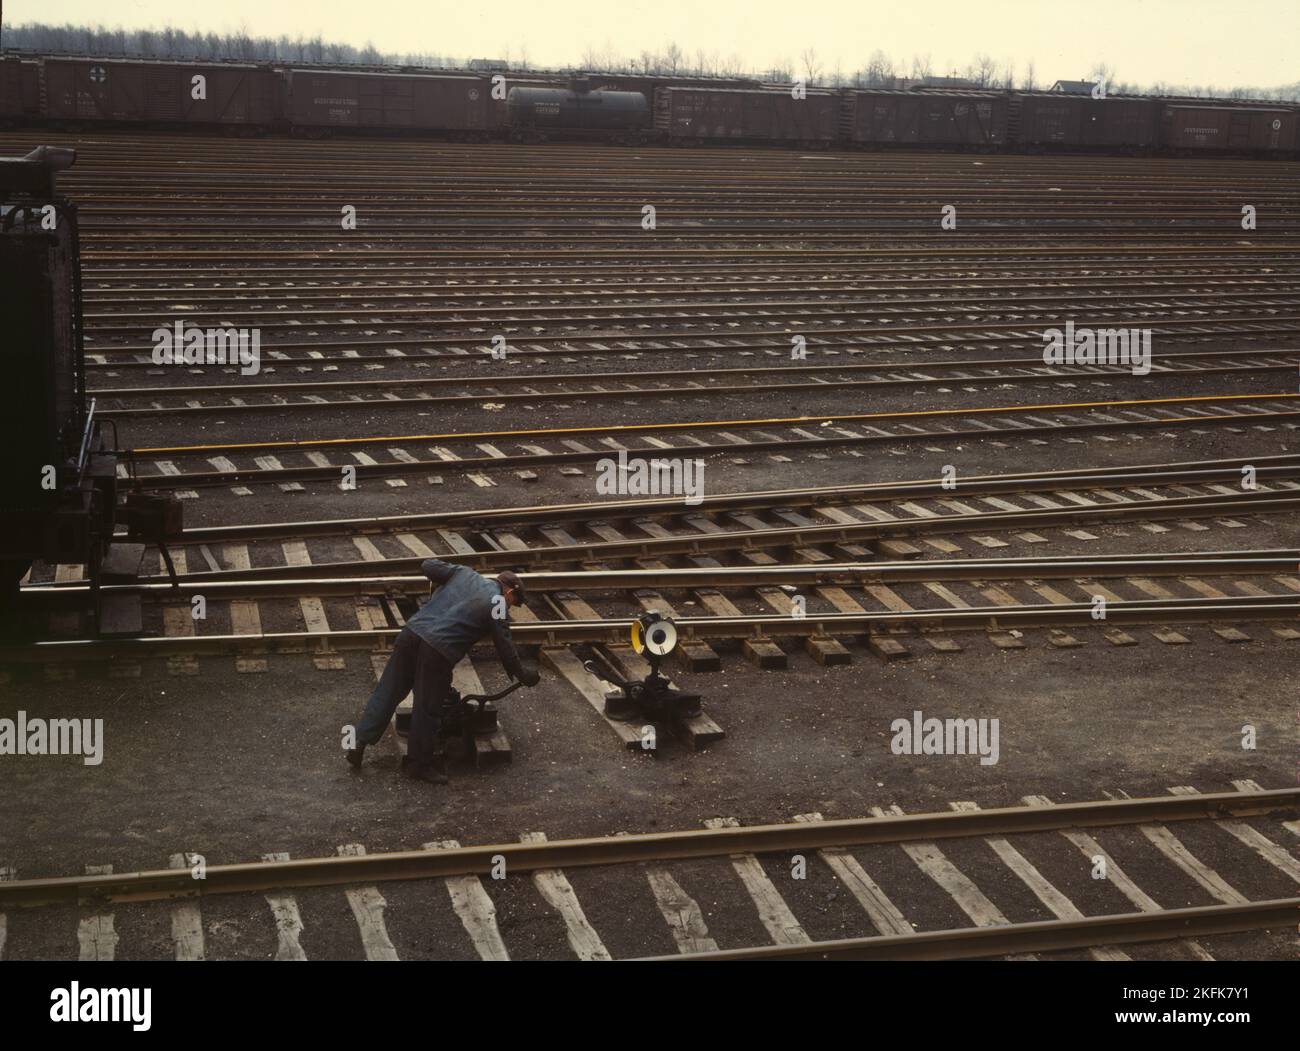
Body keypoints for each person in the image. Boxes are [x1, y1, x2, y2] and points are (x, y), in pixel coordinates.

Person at [346, 561, 538, 783]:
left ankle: (358, 744)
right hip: (437, 651)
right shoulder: (498, 602)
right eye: (514, 602)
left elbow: (427, 566)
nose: (510, 607)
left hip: (412, 633)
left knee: (388, 691)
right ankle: (419, 766)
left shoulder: (465, 572)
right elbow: (505, 647)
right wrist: (524, 675)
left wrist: (440, 588)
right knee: (427, 708)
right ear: (510, 590)